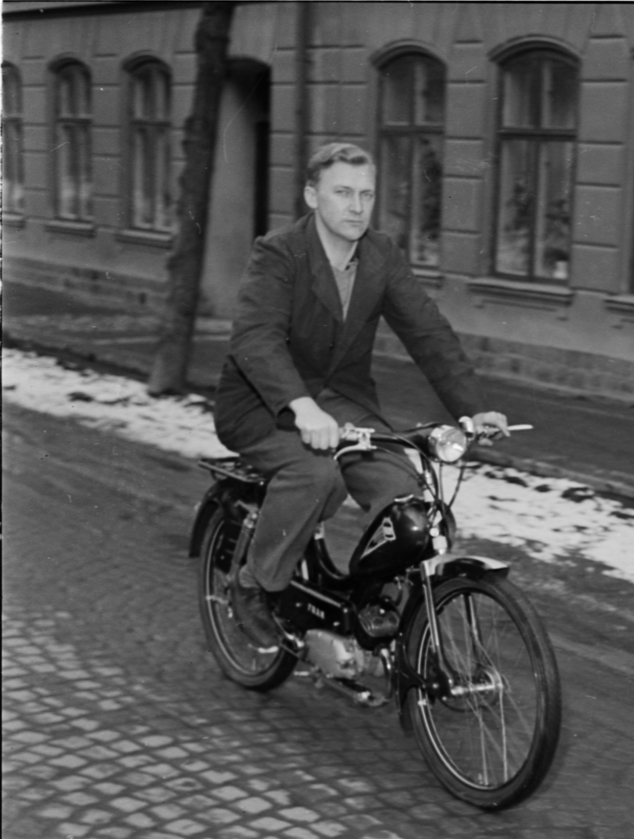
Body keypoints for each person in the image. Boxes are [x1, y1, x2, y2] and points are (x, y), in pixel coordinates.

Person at [213, 142, 508, 647]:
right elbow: (255, 338)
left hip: (342, 402)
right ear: (312, 195)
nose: (356, 206)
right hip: (264, 406)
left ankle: (370, 600)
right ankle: (255, 584)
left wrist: (473, 407)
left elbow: (428, 332)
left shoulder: (379, 255)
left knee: (406, 495)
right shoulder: (280, 252)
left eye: (366, 194)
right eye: (342, 192)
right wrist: (301, 406)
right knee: (316, 475)